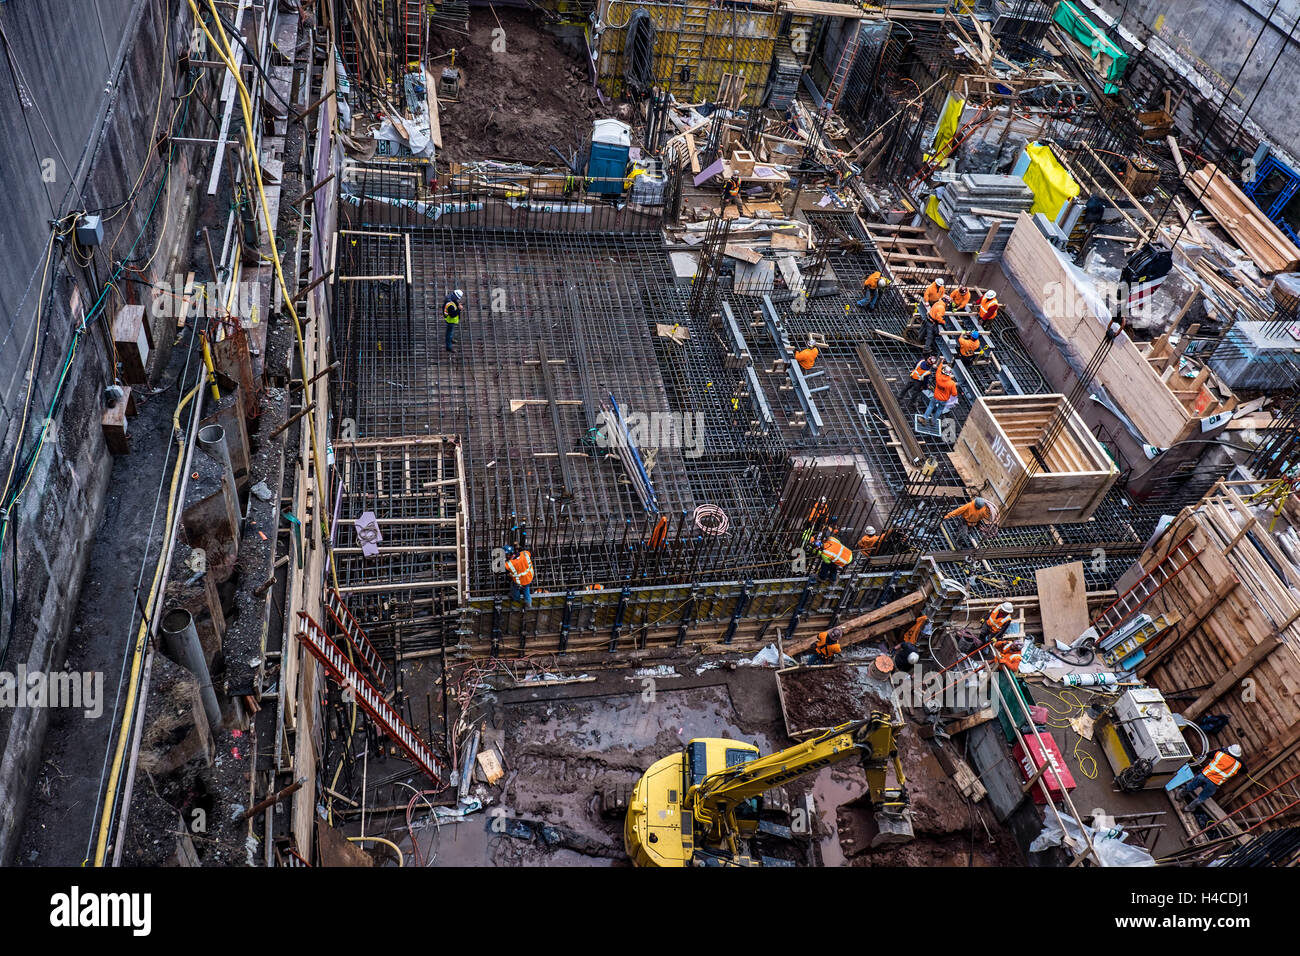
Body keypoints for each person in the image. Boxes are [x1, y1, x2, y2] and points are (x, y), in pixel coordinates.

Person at [1181, 745, 1245, 810]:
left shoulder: (1219, 754)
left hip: (1204, 775)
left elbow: (1209, 754)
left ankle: (1179, 795)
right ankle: (1188, 808)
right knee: (1202, 797)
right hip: (1214, 783)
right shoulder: (1238, 765)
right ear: (1238, 756)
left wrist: (1222, 750)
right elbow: (1245, 771)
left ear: (1228, 750)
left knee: (1191, 786)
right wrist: (1239, 760)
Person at [920, 362, 958, 426]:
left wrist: (941, 363)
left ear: (943, 371)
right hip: (944, 399)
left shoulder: (938, 377)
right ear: (950, 374)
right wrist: (949, 392)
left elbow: (938, 370)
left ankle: (925, 418)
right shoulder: (952, 383)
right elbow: (954, 393)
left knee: (930, 406)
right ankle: (933, 421)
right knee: (939, 410)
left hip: (936, 397)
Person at [444, 289, 464, 353]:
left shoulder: (451, 297)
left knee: (451, 332)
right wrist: (459, 309)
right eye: (457, 298)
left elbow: (455, 301)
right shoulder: (450, 305)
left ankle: (451, 339)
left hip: (451, 320)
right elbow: (453, 315)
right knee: (449, 333)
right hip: (450, 320)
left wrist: (458, 305)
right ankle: (449, 347)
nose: (458, 299)